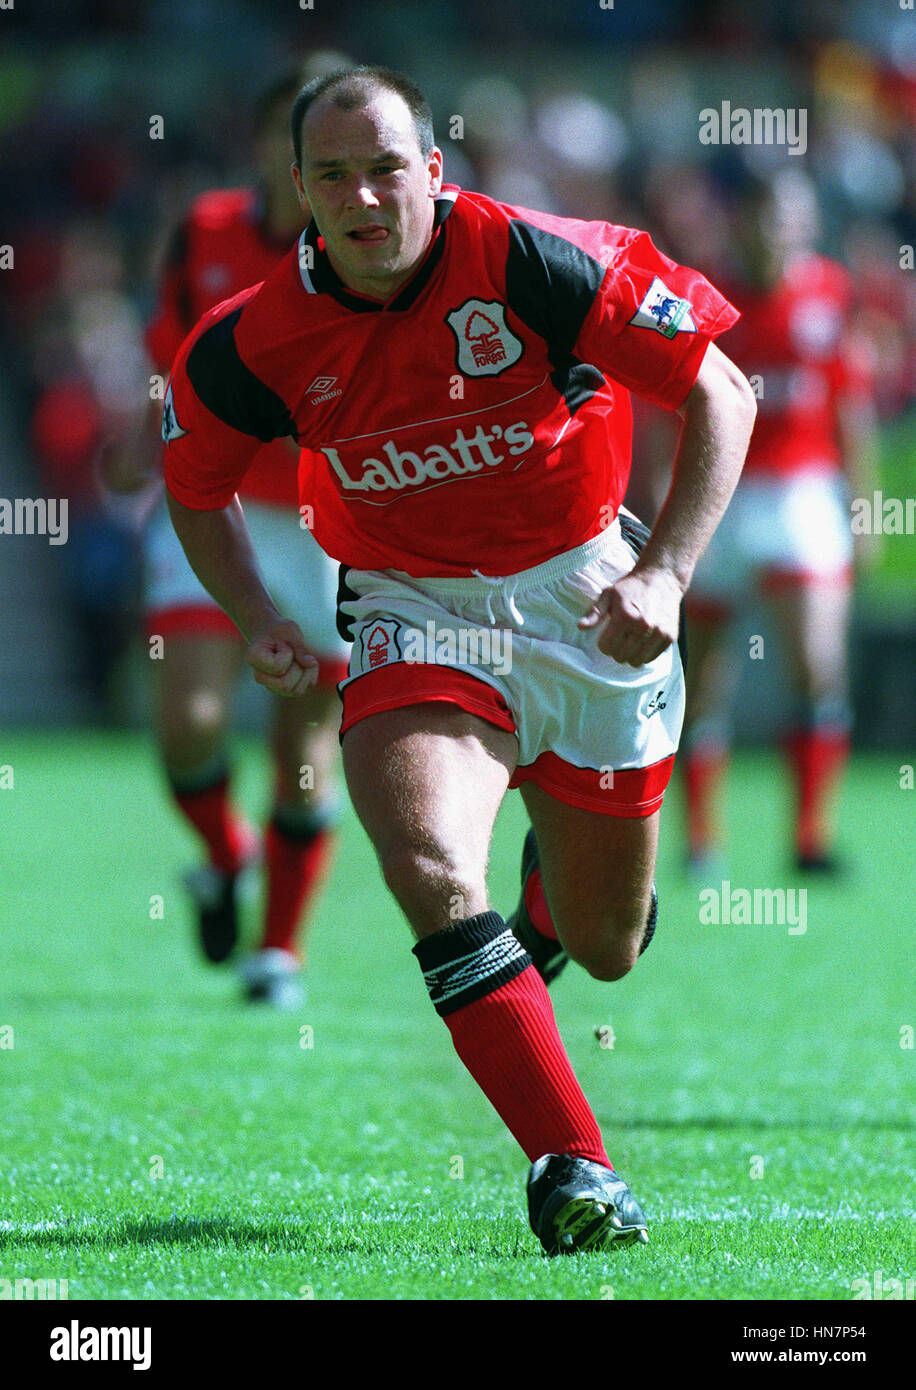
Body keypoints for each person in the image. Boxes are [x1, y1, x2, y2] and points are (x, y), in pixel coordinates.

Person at [161, 66, 755, 1254]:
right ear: (299, 195)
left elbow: (720, 391)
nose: (364, 195)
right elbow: (194, 481)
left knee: (606, 944)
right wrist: (257, 615)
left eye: (386, 166)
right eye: (333, 175)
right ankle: (572, 1164)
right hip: (410, 607)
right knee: (430, 864)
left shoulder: (542, 259)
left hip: (591, 597)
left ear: (433, 170)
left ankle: (554, 892)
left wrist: (665, 574)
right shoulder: (254, 338)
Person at [102, 71, 350, 1008]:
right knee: (191, 724)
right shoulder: (204, 230)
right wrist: (142, 428)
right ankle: (223, 855)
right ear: (268, 151)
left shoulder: (372, 246)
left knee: (304, 747)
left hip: (335, 519)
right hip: (218, 505)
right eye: (312, 154)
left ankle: (278, 952)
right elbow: (172, 352)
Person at [679, 171, 879, 873]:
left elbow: (849, 407)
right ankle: (702, 841)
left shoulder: (830, 292)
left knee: (819, 667)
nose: (777, 228)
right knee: (703, 680)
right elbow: (681, 408)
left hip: (805, 495)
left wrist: (866, 508)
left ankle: (809, 840)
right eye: (765, 214)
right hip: (723, 495)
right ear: (743, 220)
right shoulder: (709, 299)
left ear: (805, 222)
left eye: (790, 215)